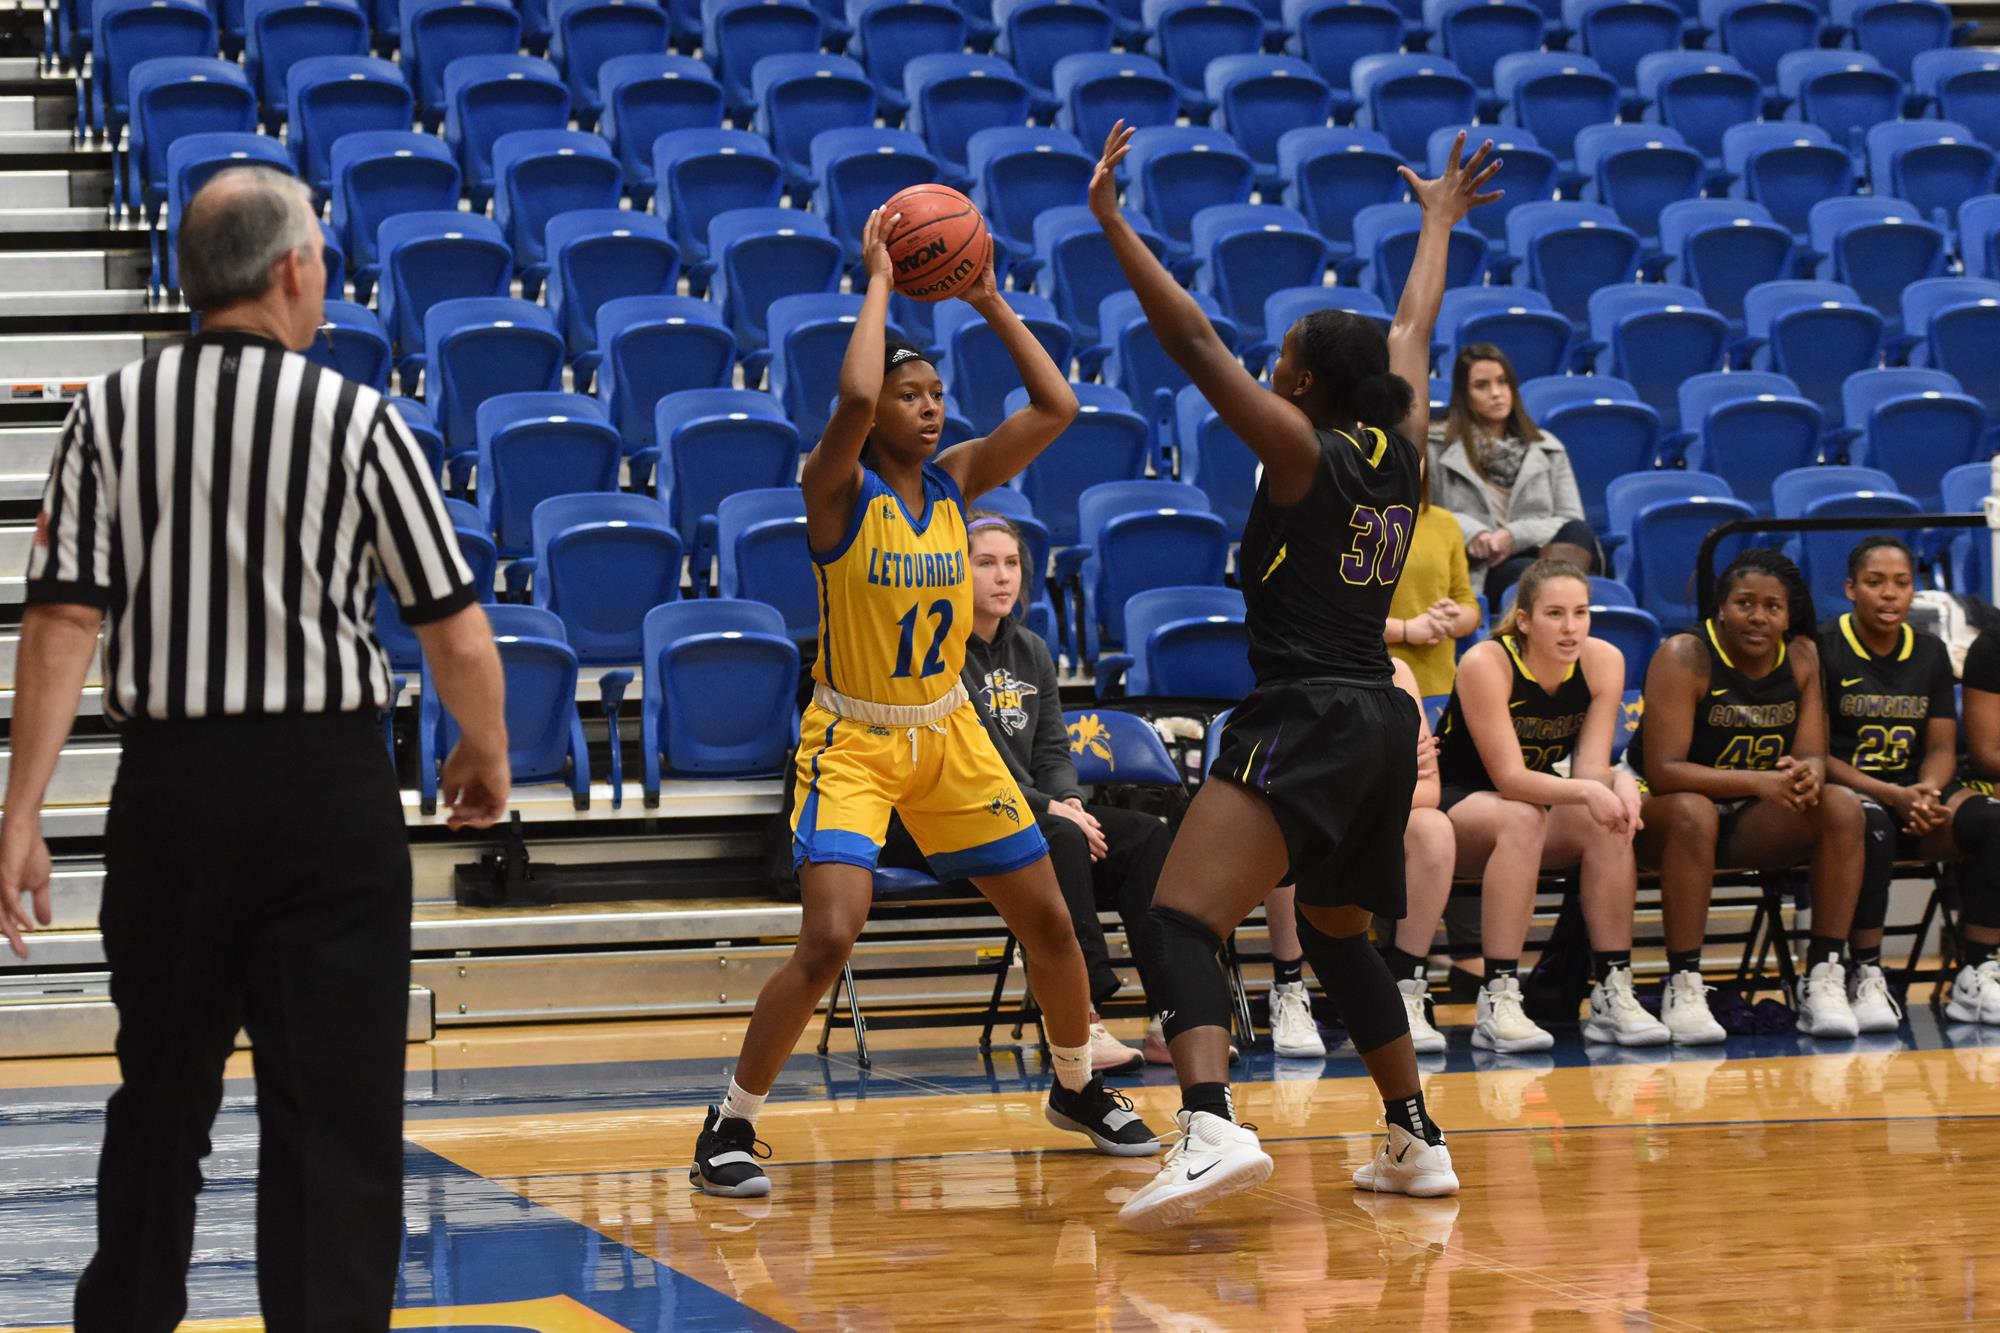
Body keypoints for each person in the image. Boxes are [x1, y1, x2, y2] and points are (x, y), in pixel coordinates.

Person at [0, 167, 510, 1327]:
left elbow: (62, 619)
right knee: (332, 1120)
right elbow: (454, 629)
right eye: (321, 254)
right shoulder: (359, 418)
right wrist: (482, 752)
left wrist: (21, 812)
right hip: (325, 792)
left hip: (172, 795)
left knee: (161, 1100)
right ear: (291, 271)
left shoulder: (108, 414)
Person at [688, 209, 1159, 1200]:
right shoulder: (834, 487)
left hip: (948, 730)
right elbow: (853, 390)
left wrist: (986, 296)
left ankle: (1074, 1086)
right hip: (852, 736)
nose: (929, 407)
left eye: (938, 393)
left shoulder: (957, 482)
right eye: (913, 395)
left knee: (1050, 924)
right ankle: (729, 1121)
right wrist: (875, 280)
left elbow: (1057, 403)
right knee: (827, 936)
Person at [1090, 121, 1503, 1230]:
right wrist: (1434, 223)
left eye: (1280, 363)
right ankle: (1414, 1135)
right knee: (1331, 929)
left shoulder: (1298, 450)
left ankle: (1211, 1122)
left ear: (1304, 382)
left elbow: (1190, 346)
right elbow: (1412, 327)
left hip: (1309, 706)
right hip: (1380, 709)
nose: (1265, 370)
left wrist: (1114, 227)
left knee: (1178, 912)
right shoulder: (1402, 450)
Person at [880, 511, 1173, 1072]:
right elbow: (965, 763)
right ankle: (1079, 1018)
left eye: (1011, 563)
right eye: (984, 563)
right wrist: (1052, 809)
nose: (1002, 576)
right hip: (949, 816)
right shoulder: (934, 652)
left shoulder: (1033, 650)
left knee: (1147, 836)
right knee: (1059, 835)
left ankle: (1171, 1018)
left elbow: (1053, 751)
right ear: (951, 572)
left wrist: (1071, 801)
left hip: (1031, 813)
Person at [1425, 560, 1670, 1052]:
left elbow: (1593, 770)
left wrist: (1622, 785)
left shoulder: (1604, 661)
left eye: (1580, 613)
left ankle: (1611, 991)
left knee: (1611, 820)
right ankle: (1499, 997)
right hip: (1454, 808)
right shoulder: (1486, 663)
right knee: (1523, 814)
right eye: (1554, 613)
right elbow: (1508, 779)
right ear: (1524, 620)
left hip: (1528, 814)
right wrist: (1589, 790)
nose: (1570, 627)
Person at [1629, 549, 1865, 1042]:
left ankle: (1824, 977)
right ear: (1721, 607)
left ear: (1787, 615)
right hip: (1660, 813)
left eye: (1772, 607)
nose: (1758, 617)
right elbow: (1665, 770)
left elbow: (1813, 753)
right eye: (1744, 603)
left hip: (1751, 815)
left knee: (1842, 806)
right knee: (1695, 812)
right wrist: (1760, 781)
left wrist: (1809, 772)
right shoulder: (1683, 654)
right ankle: (1685, 982)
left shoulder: (1801, 655)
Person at [1825, 537, 2000, 1030]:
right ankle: (1865, 972)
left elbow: (1943, 745)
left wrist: (1924, 789)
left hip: (1917, 794)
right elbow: (1814, 753)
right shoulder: (1822, 648)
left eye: (1902, 583)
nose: (1889, 595)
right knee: (1873, 823)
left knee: (1990, 820)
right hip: (1850, 795)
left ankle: (1979, 971)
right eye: (1875, 582)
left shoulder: (1930, 652)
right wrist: (1892, 795)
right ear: (1851, 589)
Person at [1259, 656, 1456, 1060]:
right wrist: (1378, 780)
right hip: (1313, 812)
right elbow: (1284, 783)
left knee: (1435, 829)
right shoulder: (1294, 667)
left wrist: (1349, 792)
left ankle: (1406, 988)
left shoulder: (1397, 672)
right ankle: (1289, 987)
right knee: (1288, 821)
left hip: (1357, 810)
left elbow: (1428, 789)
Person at [1429, 343, 1598, 603]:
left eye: (1503, 382)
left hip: (1541, 553)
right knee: (1527, 576)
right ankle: (1562, 607)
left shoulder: (1547, 446)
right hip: (1481, 566)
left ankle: (1561, 606)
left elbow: (1568, 518)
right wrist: (1472, 532)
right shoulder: (1438, 447)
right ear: (1464, 394)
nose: (1496, 393)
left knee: (1578, 532)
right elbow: (1424, 513)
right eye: (1482, 385)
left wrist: (1514, 536)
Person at [1385, 452, 1481, 698]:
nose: (1405, 461)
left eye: (1414, 452)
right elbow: (1336, 619)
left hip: (1441, 685)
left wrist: (1451, 620)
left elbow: (1468, 603)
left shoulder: (1445, 522)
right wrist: (1405, 630)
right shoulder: (1345, 521)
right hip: (1379, 681)